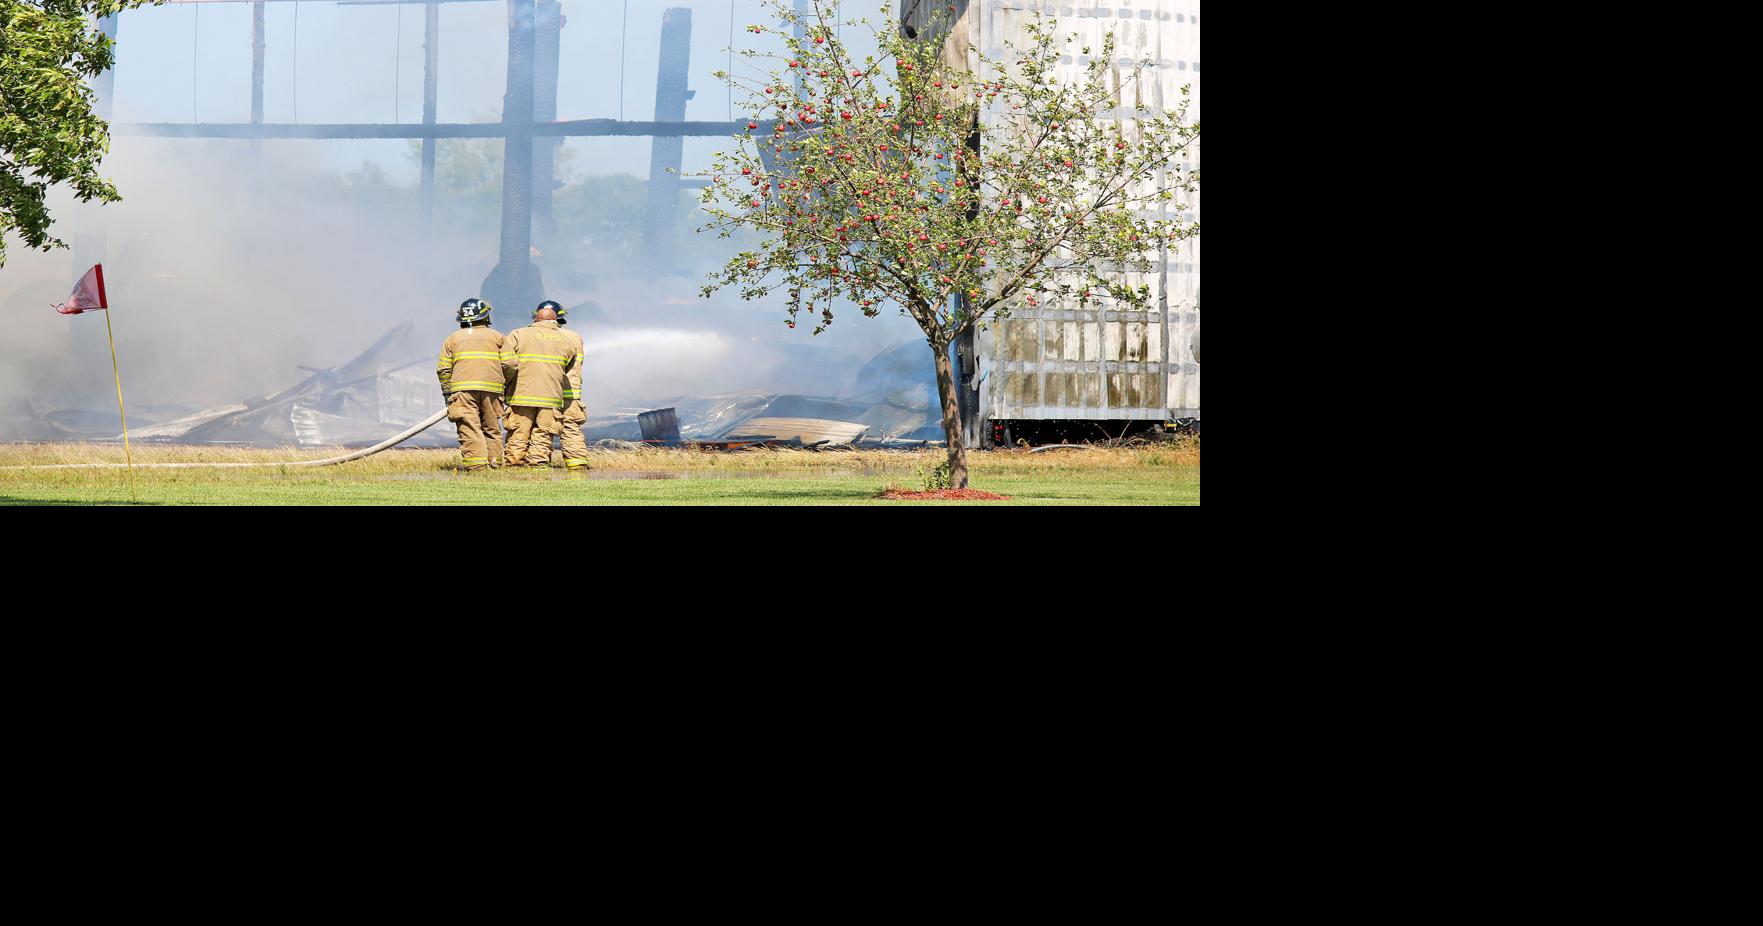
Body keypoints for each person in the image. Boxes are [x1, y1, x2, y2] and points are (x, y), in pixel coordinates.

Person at [500, 303, 580, 467]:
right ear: (556, 320)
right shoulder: (568, 339)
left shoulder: (517, 334)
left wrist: (507, 383)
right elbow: (569, 368)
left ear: (534, 318)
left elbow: (507, 363)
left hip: (521, 394)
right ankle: (538, 465)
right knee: (543, 432)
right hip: (551, 396)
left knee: (518, 432)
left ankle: (514, 466)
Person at [436, 298, 504, 470]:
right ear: (485, 316)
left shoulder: (452, 339)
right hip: (492, 390)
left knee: (469, 427)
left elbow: (443, 370)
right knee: (492, 428)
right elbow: (510, 364)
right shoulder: (498, 337)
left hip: (462, 392)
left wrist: (447, 394)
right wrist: (507, 385)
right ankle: (494, 464)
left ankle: (476, 469)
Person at [539, 300, 591, 470]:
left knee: (542, 428)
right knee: (571, 428)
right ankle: (577, 465)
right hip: (570, 392)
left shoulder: (536, 337)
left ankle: (539, 465)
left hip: (545, 391)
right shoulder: (574, 337)